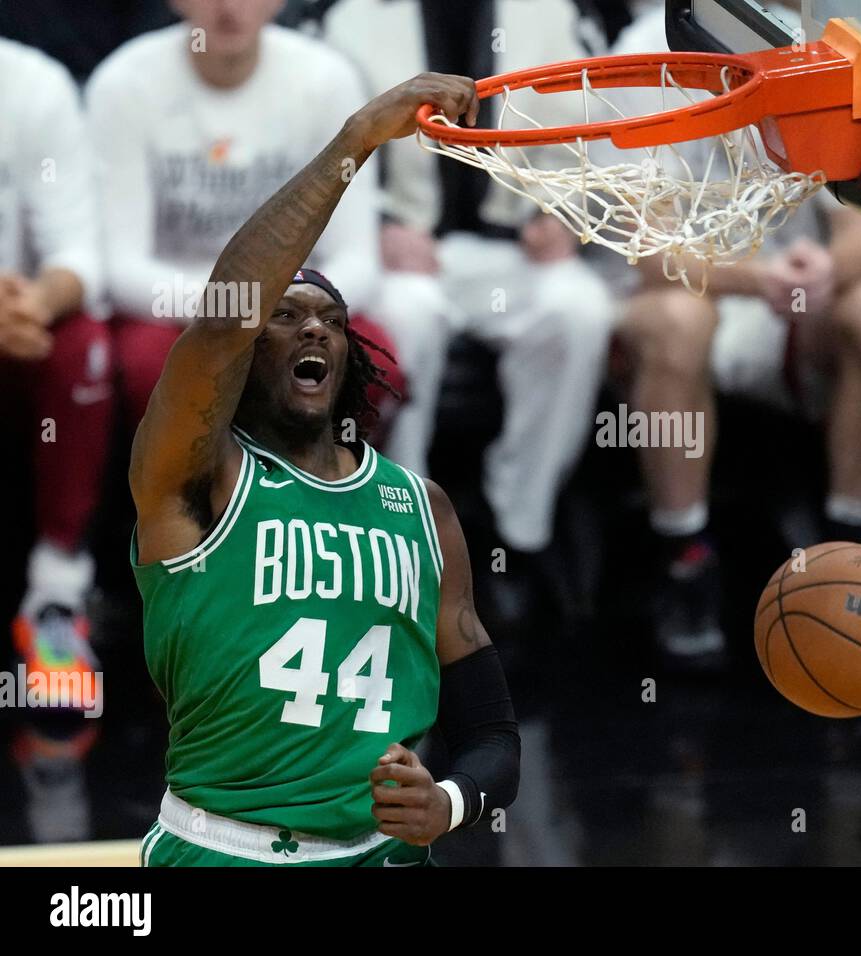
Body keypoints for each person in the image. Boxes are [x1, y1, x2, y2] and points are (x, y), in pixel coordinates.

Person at [132, 73, 520, 866]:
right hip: (222, 849)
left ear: (347, 358)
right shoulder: (199, 479)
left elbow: (490, 735)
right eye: (287, 317)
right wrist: (356, 142)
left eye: (332, 321)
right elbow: (223, 319)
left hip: (380, 855)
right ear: (249, 353)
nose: (313, 327)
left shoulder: (422, 508)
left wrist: (446, 802)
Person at [603, 1, 861, 666]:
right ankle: (685, 561)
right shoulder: (637, 54)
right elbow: (647, 251)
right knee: (679, 321)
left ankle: (851, 558)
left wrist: (832, 268)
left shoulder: (825, 46)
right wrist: (764, 280)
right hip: (677, 297)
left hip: (792, 299)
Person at [322, 0, 615, 599]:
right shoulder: (345, 16)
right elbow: (325, 144)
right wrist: (372, 223)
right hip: (400, 248)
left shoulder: (555, 11)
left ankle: (523, 530)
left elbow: (596, 134)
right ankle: (402, 531)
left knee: (580, 310)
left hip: (510, 247)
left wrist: (564, 213)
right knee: (405, 319)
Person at [85, 0, 406, 447]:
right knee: (147, 368)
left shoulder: (327, 79)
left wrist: (282, 308)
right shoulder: (123, 84)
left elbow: (357, 259)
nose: (229, 6)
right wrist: (229, 309)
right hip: (178, 306)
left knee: (375, 364)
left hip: (296, 293)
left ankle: (335, 502)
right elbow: (120, 266)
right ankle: (185, 509)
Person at [0, 36, 113, 842]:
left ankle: (56, 596)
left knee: (84, 340)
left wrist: (33, 303)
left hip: (13, 335)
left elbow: (80, 257)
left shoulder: (31, 82)